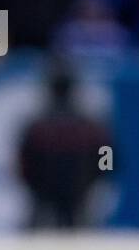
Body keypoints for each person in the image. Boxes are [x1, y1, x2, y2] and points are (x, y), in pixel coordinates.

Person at [18, 64, 111, 228]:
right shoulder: (91, 126)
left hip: (53, 198)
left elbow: (22, 164)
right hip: (71, 197)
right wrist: (98, 179)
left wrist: (34, 186)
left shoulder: (37, 126)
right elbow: (108, 155)